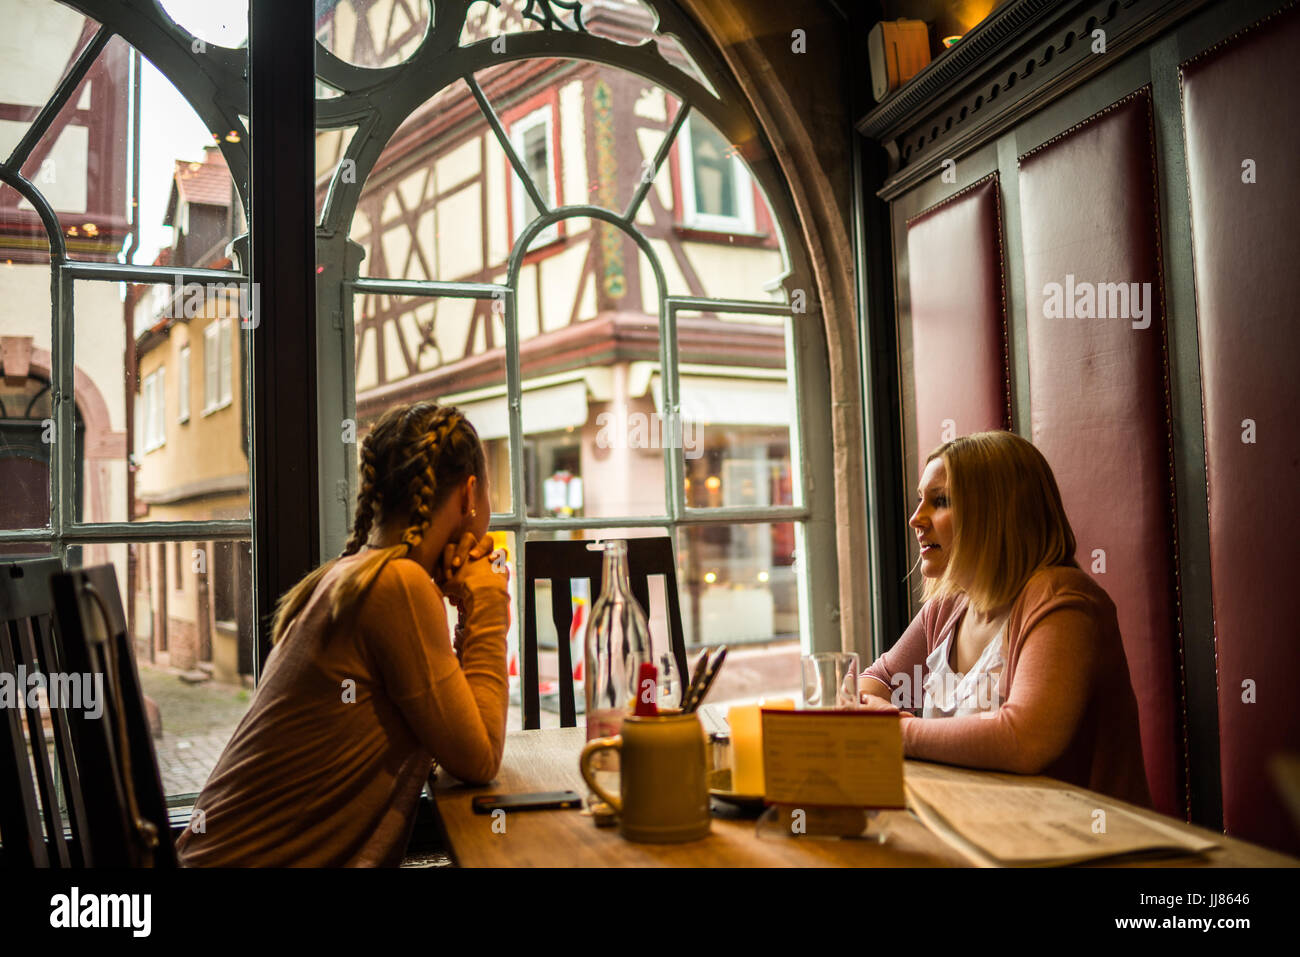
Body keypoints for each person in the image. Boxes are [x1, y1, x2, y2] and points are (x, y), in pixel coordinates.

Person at [176, 401, 510, 866]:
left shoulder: (351, 576)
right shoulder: (398, 587)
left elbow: (461, 731)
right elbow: (479, 759)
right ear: (470, 495)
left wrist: (470, 606)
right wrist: (490, 599)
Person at [859, 430, 1152, 808]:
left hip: (1083, 843)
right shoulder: (949, 606)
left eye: (941, 501)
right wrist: (883, 715)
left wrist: (898, 732)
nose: (916, 519)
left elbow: (1022, 740)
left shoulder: (1063, 600)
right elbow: (874, 683)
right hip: (978, 829)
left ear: (995, 512)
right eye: (920, 501)